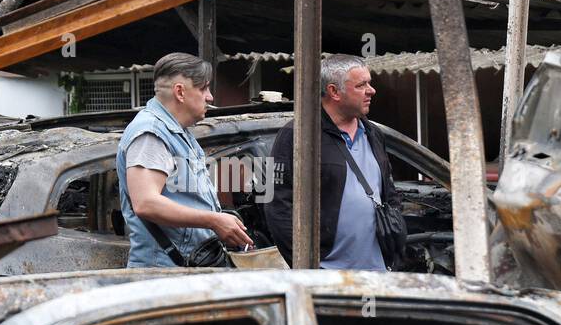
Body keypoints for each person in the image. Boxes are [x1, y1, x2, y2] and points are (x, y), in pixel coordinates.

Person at [266, 54, 402, 270]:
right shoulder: (298, 134)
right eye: (361, 85)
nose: (371, 90)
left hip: (377, 272)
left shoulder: (373, 133)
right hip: (328, 274)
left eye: (370, 83)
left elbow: (389, 192)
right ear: (334, 91)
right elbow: (277, 205)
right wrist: (307, 266)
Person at [117, 52, 253, 267]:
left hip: (182, 267)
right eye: (203, 88)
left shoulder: (177, 132)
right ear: (180, 91)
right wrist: (214, 220)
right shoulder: (151, 133)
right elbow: (146, 203)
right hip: (164, 273)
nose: (210, 97)